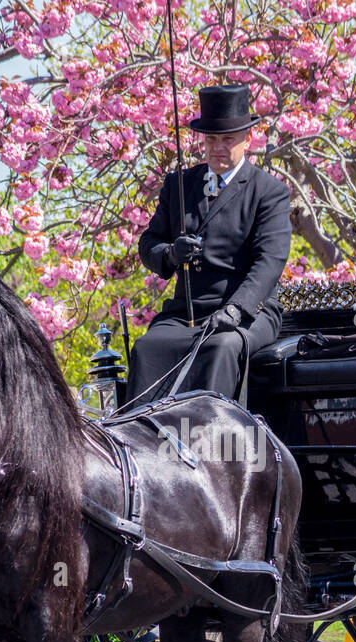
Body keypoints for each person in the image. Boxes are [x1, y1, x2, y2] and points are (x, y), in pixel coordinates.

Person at [127, 84, 292, 407]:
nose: (218, 148)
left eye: (227, 139)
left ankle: (214, 443)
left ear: (247, 140)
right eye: (211, 140)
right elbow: (149, 243)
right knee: (147, 347)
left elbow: (269, 261)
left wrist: (236, 308)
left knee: (221, 347)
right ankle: (144, 438)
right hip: (187, 310)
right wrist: (171, 252)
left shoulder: (268, 191)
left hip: (247, 311)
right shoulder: (179, 185)